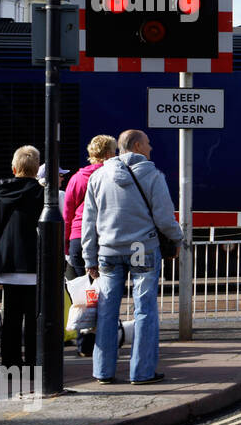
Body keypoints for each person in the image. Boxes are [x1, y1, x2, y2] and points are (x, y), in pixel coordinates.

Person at [82, 129, 182, 385]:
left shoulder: (99, 176)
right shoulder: (152, 175)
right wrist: (179, 238)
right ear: (137, 145)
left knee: (106, 311)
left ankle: (103, 371)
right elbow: (163, 217)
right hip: (142, 249)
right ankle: (142, 372)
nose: (151, 149)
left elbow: (89, 221)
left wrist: (89, 257)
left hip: (108, 251)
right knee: (145, 309)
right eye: (148, 144)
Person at [0, 146, 44, 367]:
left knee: (10, 318)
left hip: (9, 262)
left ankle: (9, 365)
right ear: (37, 168)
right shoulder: (41, 194)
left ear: (14, 167)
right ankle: (32, 364)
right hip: (34, 263)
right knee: (32, 319)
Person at [62, 135, 118, 280]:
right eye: (114, 151)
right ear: (108, 154)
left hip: (78, 238)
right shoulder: (115, 176)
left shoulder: (77, 178)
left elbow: (68, 215)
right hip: (106, 238)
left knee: (87, 291)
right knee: (107, 289)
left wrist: (66, 245)